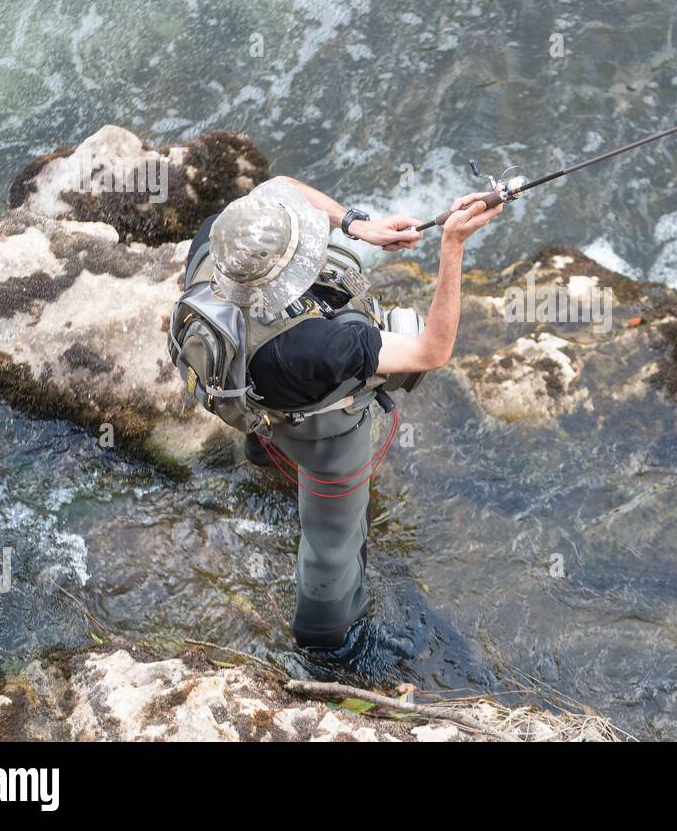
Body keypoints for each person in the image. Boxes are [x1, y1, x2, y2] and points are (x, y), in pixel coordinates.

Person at [182, 175, 501, 657]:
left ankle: (261, 455)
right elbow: (430, 351)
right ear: (290, 273)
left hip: (249, 400)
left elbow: (276, 184)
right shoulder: (325, 347)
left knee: (264, 426)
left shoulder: (215, 244)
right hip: (323, 440)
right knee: (332, 544)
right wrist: (452, 246)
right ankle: (327, 642)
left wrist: (358, 225)